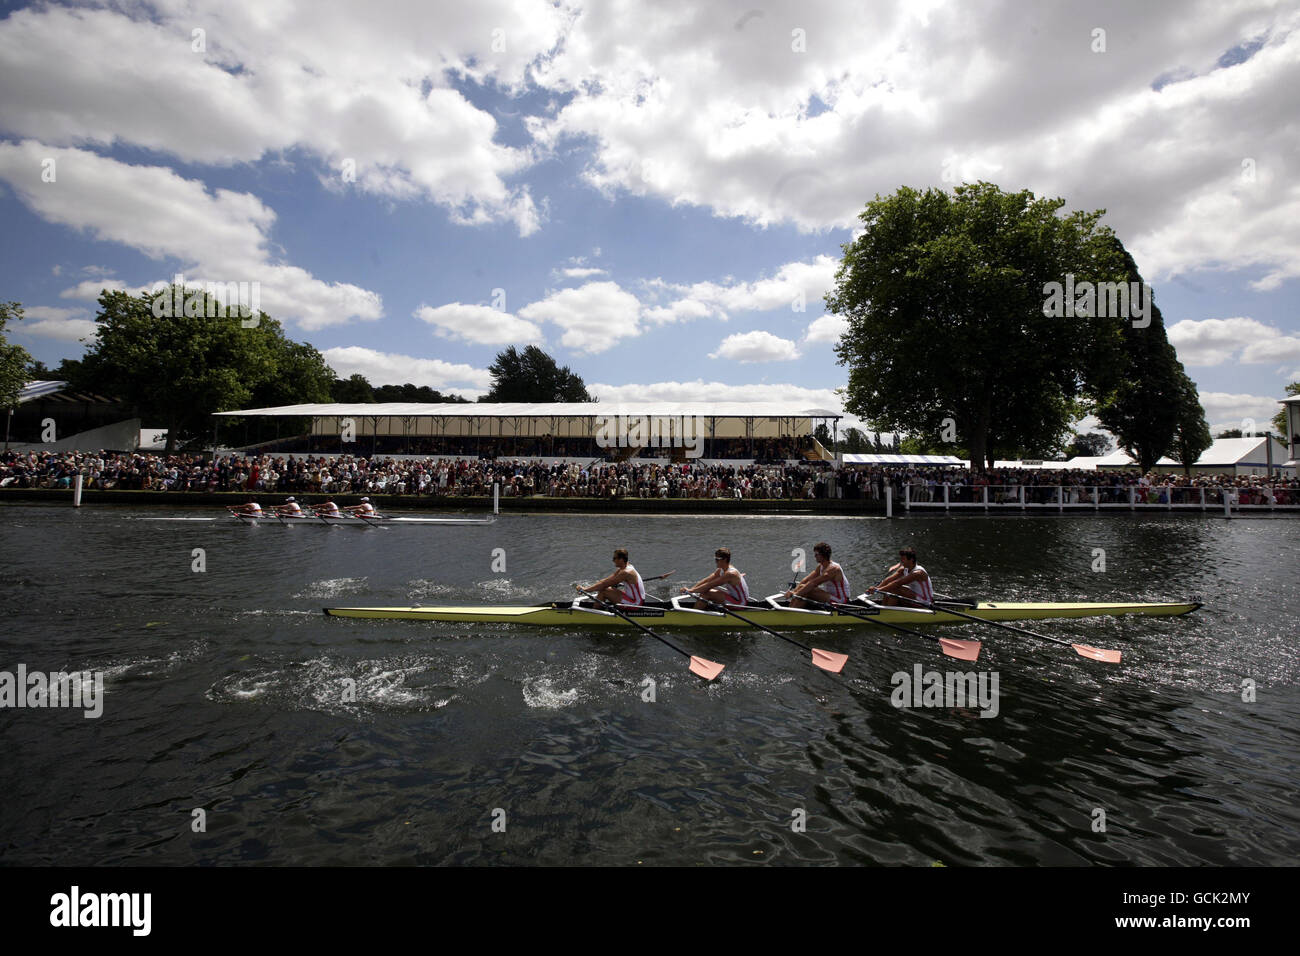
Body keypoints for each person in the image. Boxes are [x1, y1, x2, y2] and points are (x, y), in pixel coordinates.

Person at [786, 542, 851, 608]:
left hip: (841, 601)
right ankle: (790, 608)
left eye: (816, 554)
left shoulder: (834, 569)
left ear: (823, 555)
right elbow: (806, 580)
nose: (815, 556)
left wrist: (795, 594)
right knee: (802, 586)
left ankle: (793, 613)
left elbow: (813, 583)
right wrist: (792, 592)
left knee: (807, 590)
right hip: (829, 596)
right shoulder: (821, 567)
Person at [682, 547, 749, 608]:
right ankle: (700, 609)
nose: (715, 562)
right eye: (715, 559)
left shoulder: (730, 574)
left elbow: (709, 585)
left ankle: (694, 616)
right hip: (733, 597)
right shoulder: (721, 569)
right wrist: (692, 589)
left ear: (725, 559)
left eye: (717, 559)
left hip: (740, 603)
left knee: (706, 593)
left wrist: (691, 591)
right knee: (704, 591)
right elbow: (707, 580)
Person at [579, 549, 646, 607]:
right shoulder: (626, 566)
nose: (613, 560)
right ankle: (597, 609)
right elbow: (606, 581)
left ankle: (593, 615)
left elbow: (604, 585)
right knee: (606, 588)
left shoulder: (626, 572)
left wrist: (585, 589)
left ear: (621, 559)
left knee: (604, 590)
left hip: (635, 603)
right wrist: (592, 587)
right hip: (633, 599)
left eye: (614, 558)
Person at [869, 547, 933, 606]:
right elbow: (888, 580)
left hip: (925, 602)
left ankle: (887, 612)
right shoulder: (904, 569)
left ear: (911, 560)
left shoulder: (918, 573)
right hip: (913, 597)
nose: (901, 561)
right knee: (889, 586)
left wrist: (878, 590)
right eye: (901, 559)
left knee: (895, 588)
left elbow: (898, 583)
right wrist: (876, 588)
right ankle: (883, 607)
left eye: (903, 559)